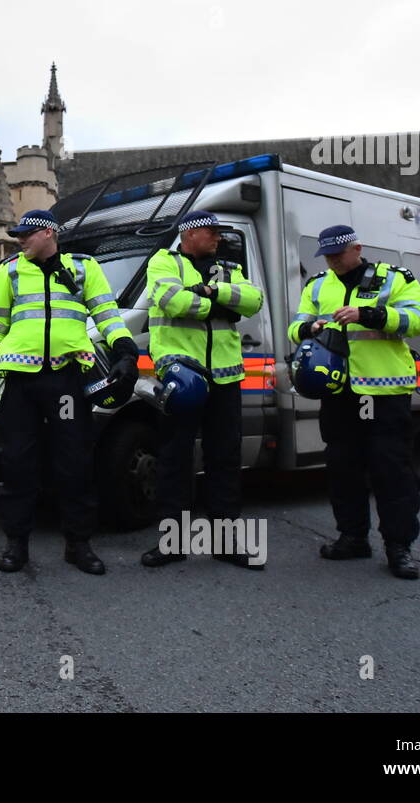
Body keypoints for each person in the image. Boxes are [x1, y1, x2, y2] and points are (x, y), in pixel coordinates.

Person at [0, 209, 140, 575]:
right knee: (17, 464)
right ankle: (16, 544)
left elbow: (106, 313)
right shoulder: (11, 270)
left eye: (26, 235)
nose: (20, 241)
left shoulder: (83, 268)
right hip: (21, 382)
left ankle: (78, 544)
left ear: (49, 233)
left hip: (65, 381)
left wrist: (126, 351)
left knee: (73, 462)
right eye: (18, 236)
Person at [288, 225, 420, 579]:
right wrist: (310, 330)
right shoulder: (318, 284)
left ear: (357, 249)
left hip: (385, 392)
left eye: (339, 253)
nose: (334, 261)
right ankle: (352, 537)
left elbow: (418, 319)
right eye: (328, 256)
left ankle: (399, 547)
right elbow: (295, 326)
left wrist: (369, 315)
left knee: (391, 471)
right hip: (339, 393)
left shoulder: (394, 278)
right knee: (342, 467)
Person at [139, 210, 266, 570]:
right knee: (174, 459)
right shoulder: (163, 261)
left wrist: (214, 290)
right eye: (211, 232)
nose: (217, 238)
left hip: (226, 376)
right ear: (189, 234)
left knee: (224, 459)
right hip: (182, 374)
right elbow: (172, 301)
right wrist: (222, 305)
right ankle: (171, 544)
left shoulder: (228, 267)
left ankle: (226, 544)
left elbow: (254, 300)